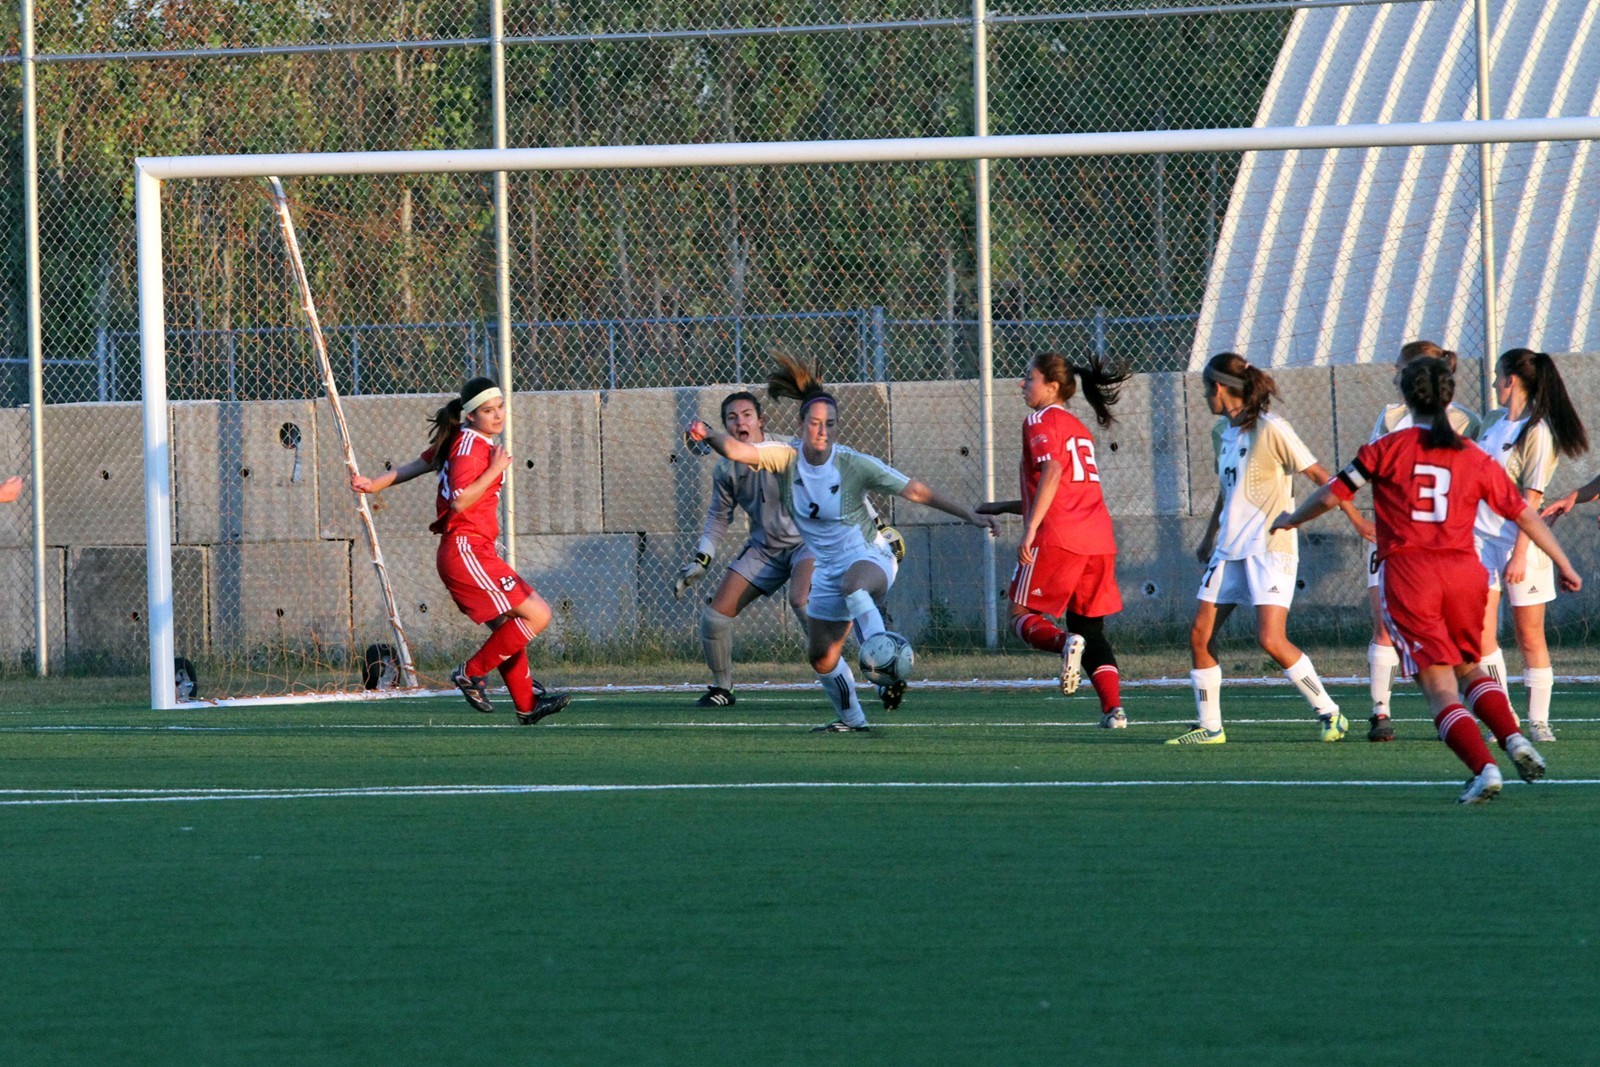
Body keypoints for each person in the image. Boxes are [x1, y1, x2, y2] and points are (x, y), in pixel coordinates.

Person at [1271, 357, 1579, 803]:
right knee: (1469, 667)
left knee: (1438, 686)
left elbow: (1332, 493)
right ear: (1449, 398)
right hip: (1466, 575)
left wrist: (1292, 518)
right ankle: (1514, 738)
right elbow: (1524, 513)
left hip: (1413, 577)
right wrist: (1564, 562)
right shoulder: (1472, 454)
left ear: (1406, 395)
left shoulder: (1386, 448)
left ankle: (1484, 769)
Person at [686, 353, 996, 732]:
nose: (822, 431)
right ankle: (852, 720)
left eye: (829, 424)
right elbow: (737, 450)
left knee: (854, 585)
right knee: (821, 657)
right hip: (827, 569)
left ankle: (886, 663)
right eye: (815, 423)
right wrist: (708, 434)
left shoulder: (852, 463)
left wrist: (968, 514)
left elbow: (913, 490)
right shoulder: (784, 458)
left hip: (870, 556)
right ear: (800, 424)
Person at [1172, 352, 1367, 745]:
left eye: (1206, 388)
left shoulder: (1272, 427)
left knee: (1270, 640)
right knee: (1200, 635)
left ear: (1220, 388)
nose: (1204, 396)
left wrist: (1357, 519)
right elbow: (1227, 492)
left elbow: (1321, 475)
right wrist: (1209, 537)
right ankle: (1210, 727)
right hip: (1229, 550)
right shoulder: (1221, 433)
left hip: (1269, 547)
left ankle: (1330, 713)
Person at [349, 376, 569, 725]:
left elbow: (418, 465)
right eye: (488, 410)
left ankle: (527, 706)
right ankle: (470, 673)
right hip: (467, 550)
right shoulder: (470, 447)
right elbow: (460, 501)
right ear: (471, 415)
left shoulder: (463, 439)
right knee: (538, 615)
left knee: (509, 630)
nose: (498, 415)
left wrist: (373, 484)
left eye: (500, 407)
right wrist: (495, 469)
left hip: (469, 551)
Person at [977, 351, 1131, 727]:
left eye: (1029, 378)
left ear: (1051, 386)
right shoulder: (1078, 428)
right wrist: (1002, 507)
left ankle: (1065, 644)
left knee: (1019, 615)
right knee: (1090, 629)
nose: (1022, 384)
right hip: (1098, 540)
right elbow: (1063, 491)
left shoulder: (1039, 420)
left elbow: (1053, 471)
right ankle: (1114, 710)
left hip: (1060, 536)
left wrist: (1030, 530)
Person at [1361, 341, 1481, 742]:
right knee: (1384, 626)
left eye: (1399, 368)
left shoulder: (1465, 420)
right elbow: (1372, 468)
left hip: (1443, 543)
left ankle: (1468, 714)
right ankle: (1380, 712)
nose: (1394, 374)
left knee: (1458, 638)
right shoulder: (1390, 417)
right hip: (1394, 538)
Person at [1470, 349, 1588, 743]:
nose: (1493, 384)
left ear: (1512, 380)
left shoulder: (1538, 431)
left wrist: (1519, 554)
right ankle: (1502, 717)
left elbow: (1531, 500)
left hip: (1521, 545)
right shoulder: (1491, 422)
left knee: (1529, 635)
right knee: (1480, 634)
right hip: (1480, 542)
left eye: (1497, 376)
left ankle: (1538, 720)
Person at [675, 390, 816, 707]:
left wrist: (875, 526)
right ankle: (722, 688)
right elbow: (718, 516)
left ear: (761, 421)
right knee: (714, 619)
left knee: (803, 603)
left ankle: (841, 671)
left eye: (747, 415)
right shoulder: (726, 469)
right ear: (726, 427)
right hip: (765, 550)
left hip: (806, 543)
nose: (740, 422)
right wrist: (702, 559)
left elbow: (839, 480)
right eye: (732, 417)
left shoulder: (790, 449)